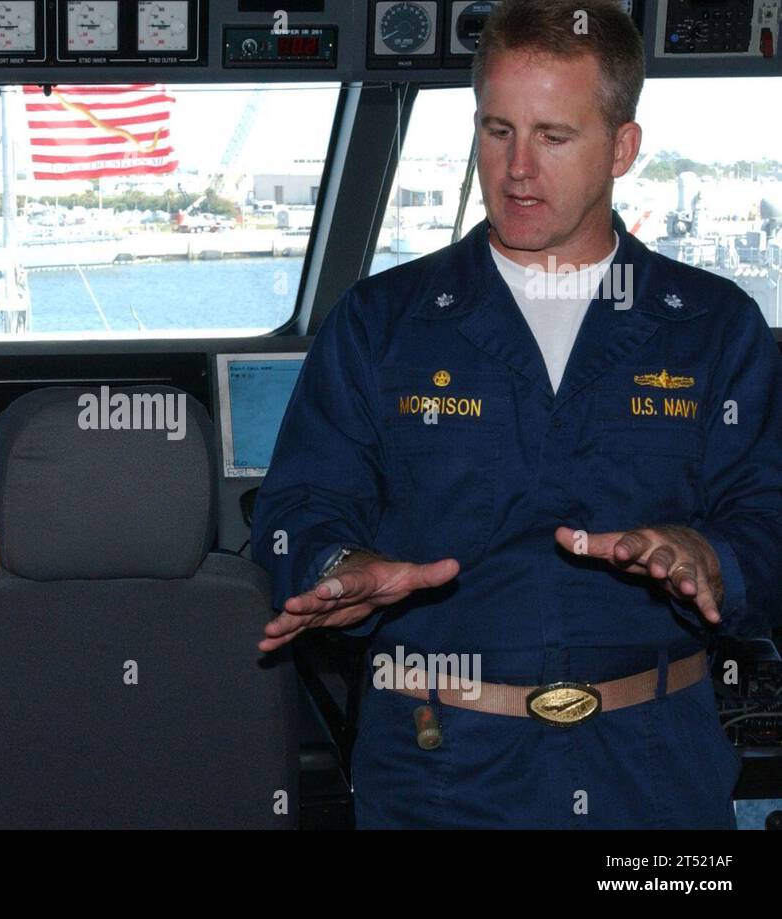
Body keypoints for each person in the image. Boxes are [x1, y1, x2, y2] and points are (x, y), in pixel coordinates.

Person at [252, 0, 782, 828]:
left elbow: (770, 516)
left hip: (653, 778)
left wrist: (709, 553)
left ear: (623, 147)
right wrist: (338, 565)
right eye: (497, 131)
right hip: (437, 774)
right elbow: (296, 510)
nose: (518, 168)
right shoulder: (381, 322)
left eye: (553, 136)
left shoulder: (713, 327)